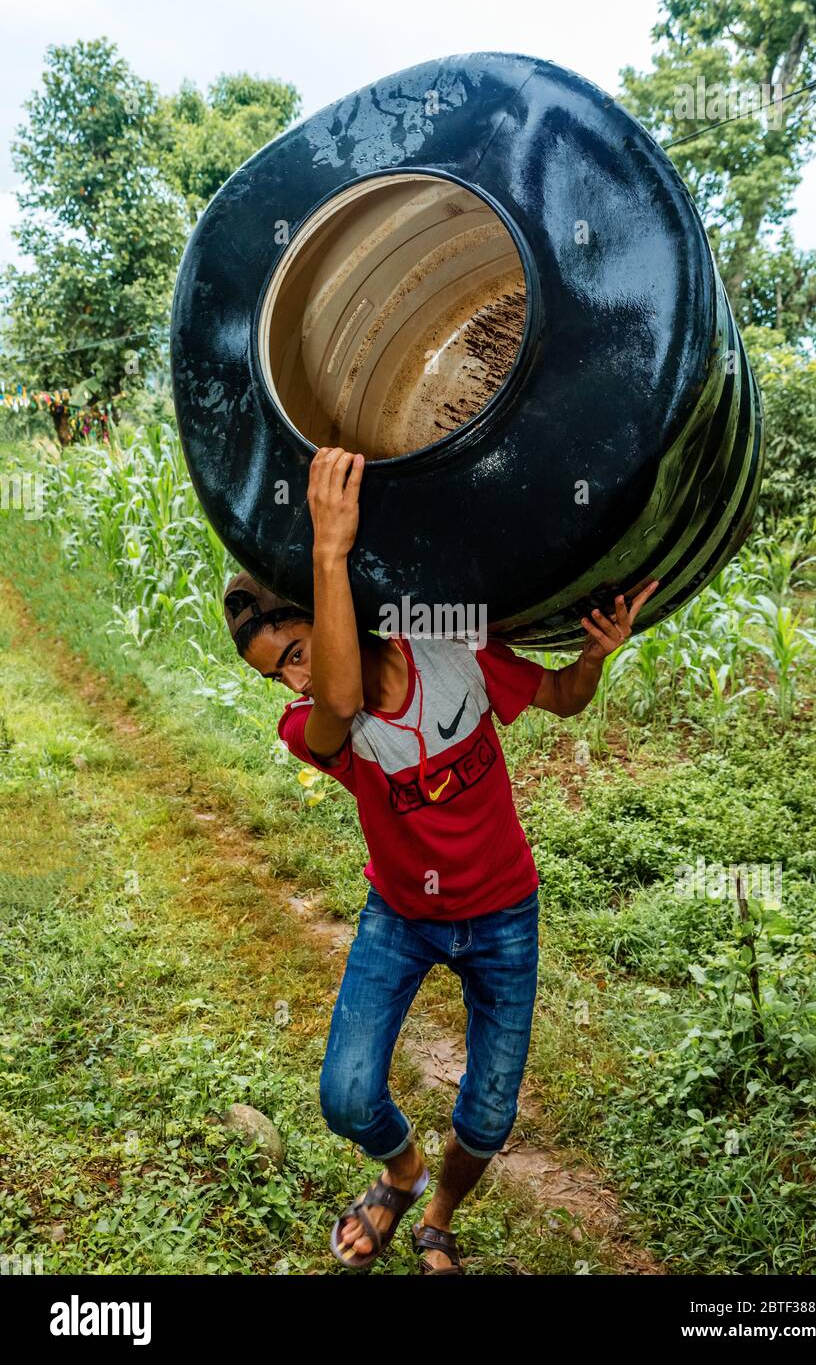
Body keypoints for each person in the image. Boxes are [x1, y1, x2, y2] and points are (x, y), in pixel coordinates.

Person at [223, 444, 658, 1275]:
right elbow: (342, 695)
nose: (293, 683)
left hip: (503, 914)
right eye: (276, 674)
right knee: (346, 1098)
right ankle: (402, 1174)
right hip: (402, 917)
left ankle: (438, 1219)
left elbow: (563, 698)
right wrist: (326, 548)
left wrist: (594, 655)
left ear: (335, 611)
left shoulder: (448, 644)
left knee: (490, 1118)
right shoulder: (313, 729)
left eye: (294, 654)